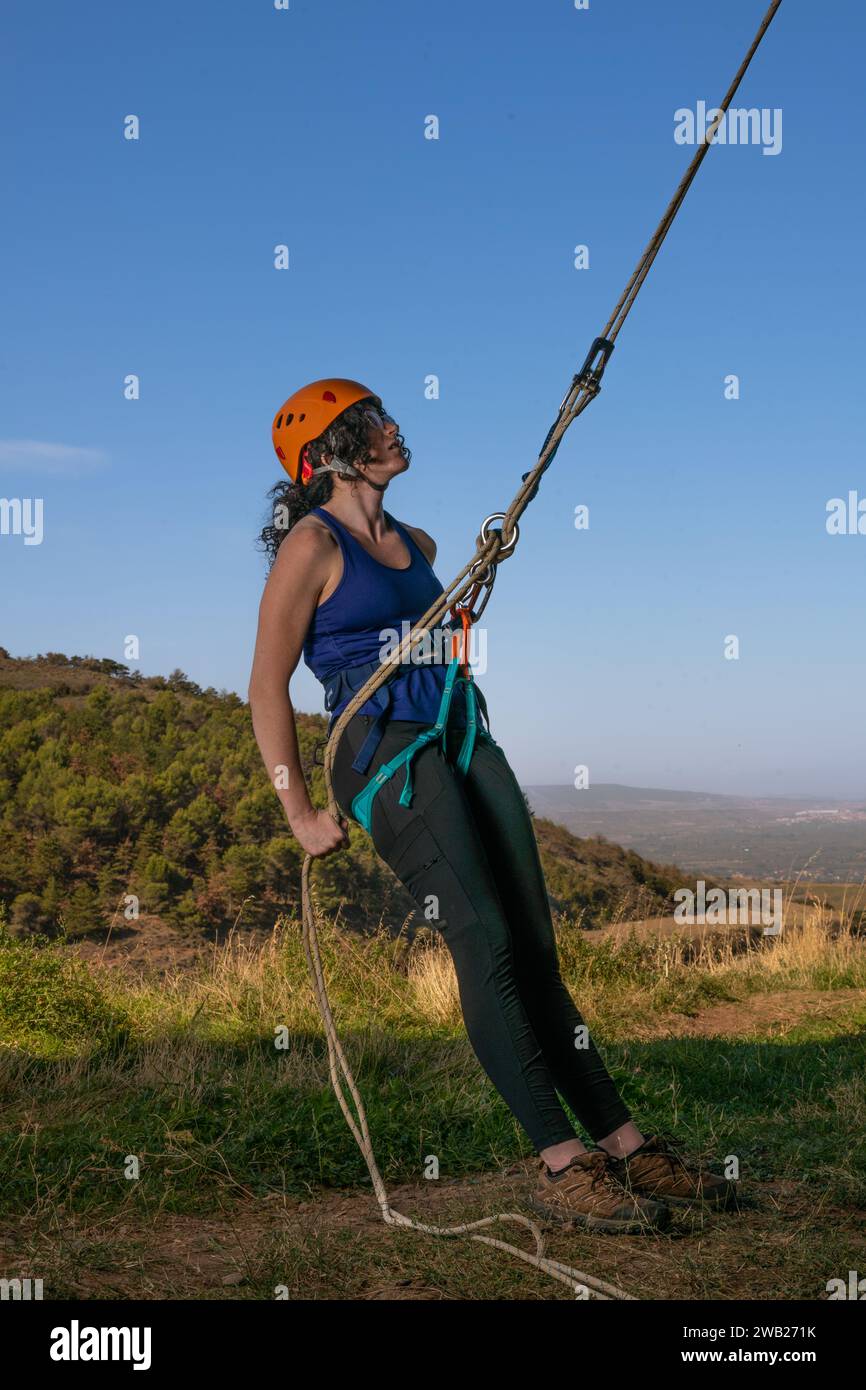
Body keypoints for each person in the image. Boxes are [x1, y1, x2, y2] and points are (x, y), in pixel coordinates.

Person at [248, 378, 735, 1234]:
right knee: (484, 938)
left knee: (535, 942)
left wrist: (480, 568)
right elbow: (265, 686)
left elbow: (440, 617)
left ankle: (623, 1145)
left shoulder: (420, 541)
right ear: (328, 457)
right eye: (370, 424)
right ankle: (558, 1161)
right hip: (384, 753)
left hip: (460, 732)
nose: (393, 429)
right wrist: (297, 810)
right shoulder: (311, 550)